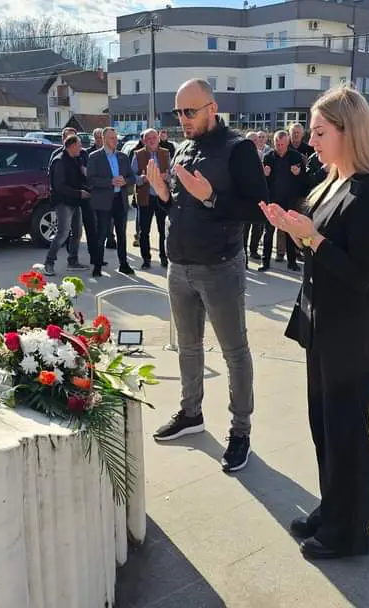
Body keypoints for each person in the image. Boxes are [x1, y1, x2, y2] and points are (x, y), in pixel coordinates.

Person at [258, 86, 369, 560]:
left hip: (353, 332)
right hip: (322, 324)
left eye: (319, 132)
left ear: (348, 130)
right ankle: (334, 507)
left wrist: (312, 238)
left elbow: (360, 274)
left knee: (347, 432)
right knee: (324, 425)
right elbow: (319, 250)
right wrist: (294, 230)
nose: (311, 141)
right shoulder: (335, 182)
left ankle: (350, 532)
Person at [145, 79, 268, 473]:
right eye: (178, 112)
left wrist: (212, 197)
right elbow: (182, 206)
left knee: (234, 352)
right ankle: (191, 413)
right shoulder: (184, 146)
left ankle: (241, 430)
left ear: (212, 108)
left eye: (190, 111)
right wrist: (164, 195)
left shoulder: (239, 148)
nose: (183, 120)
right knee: (188, 347)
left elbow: (260, 208)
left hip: (220, 267)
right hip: (178, 266)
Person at [87, 127, 135, 277]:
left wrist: (124, 180)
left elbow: (132, 177)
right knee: (102, 234)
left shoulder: (122, 157)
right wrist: (110, 182)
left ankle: (124, 264)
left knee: (121, 234)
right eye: (112, 138)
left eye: (116, 138)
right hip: (103, 201)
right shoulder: (95, 157)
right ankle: (98, 265)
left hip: (119, 200)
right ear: (104, 139)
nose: (115, 140)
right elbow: (91, 180)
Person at [259, 130, 306, 272]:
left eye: (282, 144)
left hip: (289, 200)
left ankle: (292, 262)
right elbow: (262, 181)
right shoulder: (268, 157)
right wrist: (264, 175)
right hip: (273, 200)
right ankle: (265, 262)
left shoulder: (295, 157)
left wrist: (298, 174)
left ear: (287, 143)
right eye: (277, 144)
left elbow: (304, 179)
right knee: (269, 232)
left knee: (289, 232)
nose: (279, 147)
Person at [44, 135, 90, 276]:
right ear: (72, 146)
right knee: (63, 233)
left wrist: (86, 179)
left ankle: (73, 260)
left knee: (77, 232)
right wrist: (79, 193)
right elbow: (59, 186)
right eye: (79, 145)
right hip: (63, 202)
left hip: (75, 201)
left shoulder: (76, 159)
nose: (81, 148)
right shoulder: (59, 161)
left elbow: (78, 179)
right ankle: (49, 263)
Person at [132, 128, 171, 269]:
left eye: (154, 137)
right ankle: (146, 259)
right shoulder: (138, 155)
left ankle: (164, 257)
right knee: (144, 231)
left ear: (159, 139)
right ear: (144, 141)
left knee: (163, 230)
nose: (152, 140)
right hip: (145, 196)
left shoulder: (166, 154)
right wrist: (141, 179)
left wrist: (168, 177)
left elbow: (172, 173)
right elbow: (132, 176)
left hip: (161, 196)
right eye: (148, 138)